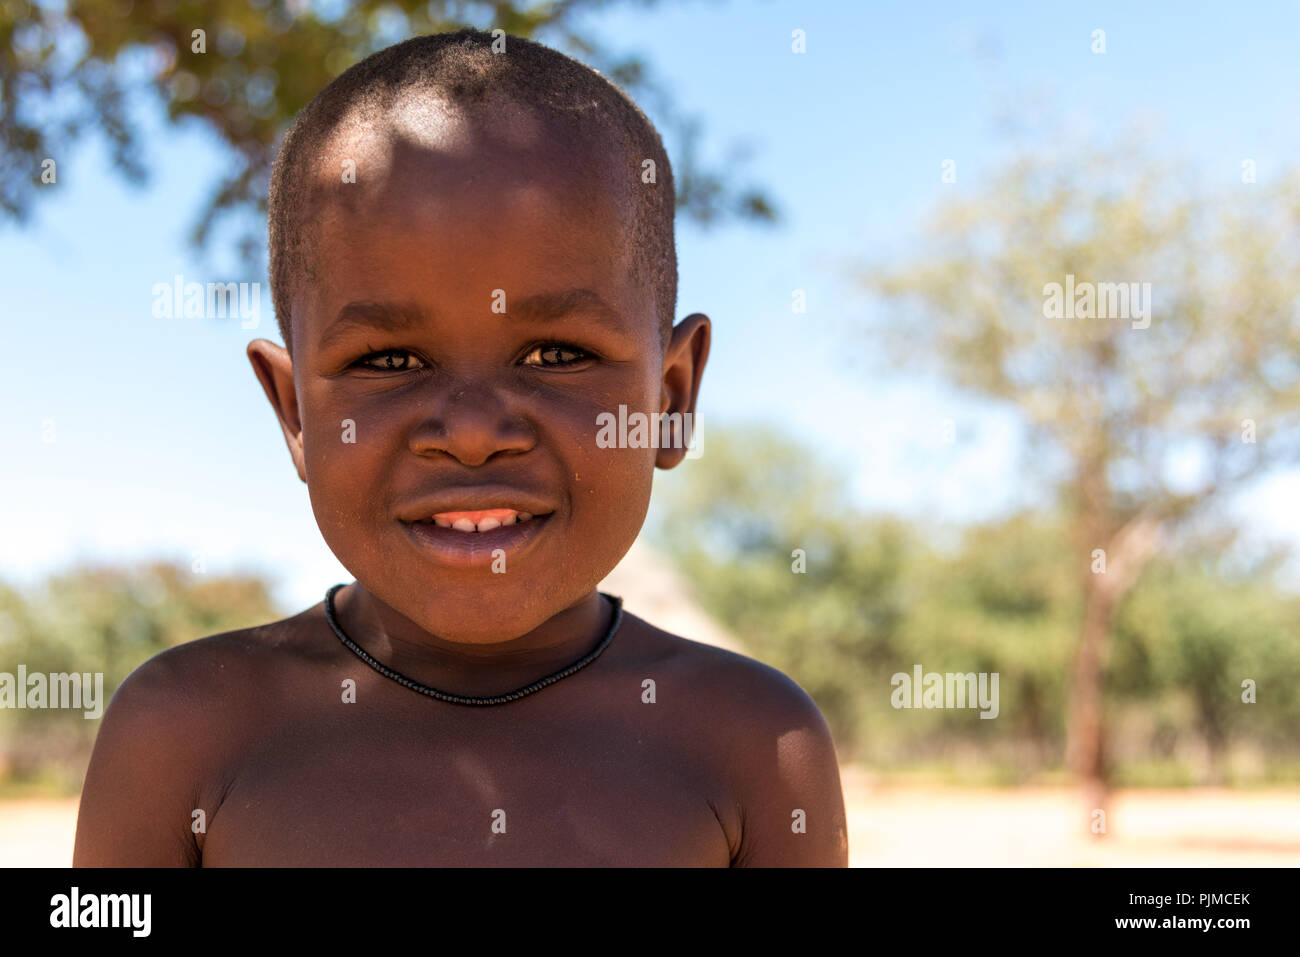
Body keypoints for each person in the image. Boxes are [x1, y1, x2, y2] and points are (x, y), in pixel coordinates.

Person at [74, 28, 848, 867]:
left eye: (557, 354)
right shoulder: (183, 732)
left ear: (669, 399)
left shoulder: (756, 744)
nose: (475, 431)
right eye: (389, 360)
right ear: (295, 412)